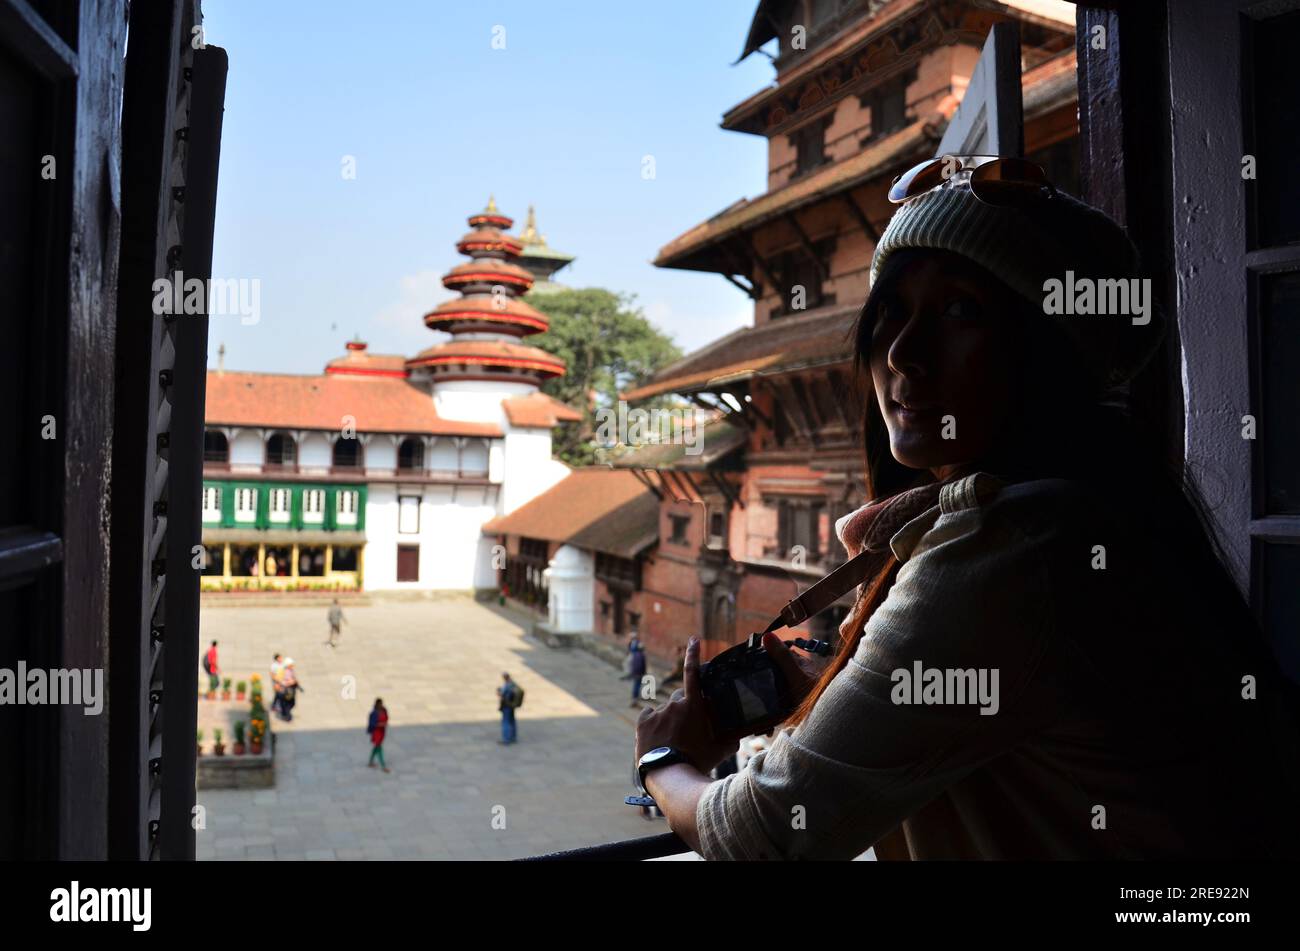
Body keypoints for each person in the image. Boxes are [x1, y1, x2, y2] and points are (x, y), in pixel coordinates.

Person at [633, 159, 1300, 860]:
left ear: (1049, 354)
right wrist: (851, 695)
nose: (902, 352)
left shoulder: (1018, 544)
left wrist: (666, 760)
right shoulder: (1102, 510)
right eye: (893, 309)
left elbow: (762, 832)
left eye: (961, 311)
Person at [367, 698, 390, 773]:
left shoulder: (384, 710)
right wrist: (381, 724)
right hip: (377, 732)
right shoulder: (374, 713)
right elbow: (372, 724)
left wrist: (385, 723)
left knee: (376, 747)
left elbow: (387, 717)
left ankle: (370, 762)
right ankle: (383, 766)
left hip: (382, 731)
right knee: (379, 748)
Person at [497, 673, 519, 745]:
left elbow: (504, 695)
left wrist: (499, 693)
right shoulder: (514, 684)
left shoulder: (507, 686)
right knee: (512, 721)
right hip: (512, 706)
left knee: (506, 723)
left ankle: (506, 739)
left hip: (506, 706)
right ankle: (513, 737)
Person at [627, 640, 647, 709]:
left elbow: (632, 664)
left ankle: (634, 697)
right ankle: (635, 699)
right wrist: (644, 673)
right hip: (639, 673)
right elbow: (643, 665)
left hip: (634, 672)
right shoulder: (642, 655)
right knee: (637, 685)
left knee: (635, 684)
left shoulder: (635, 654)